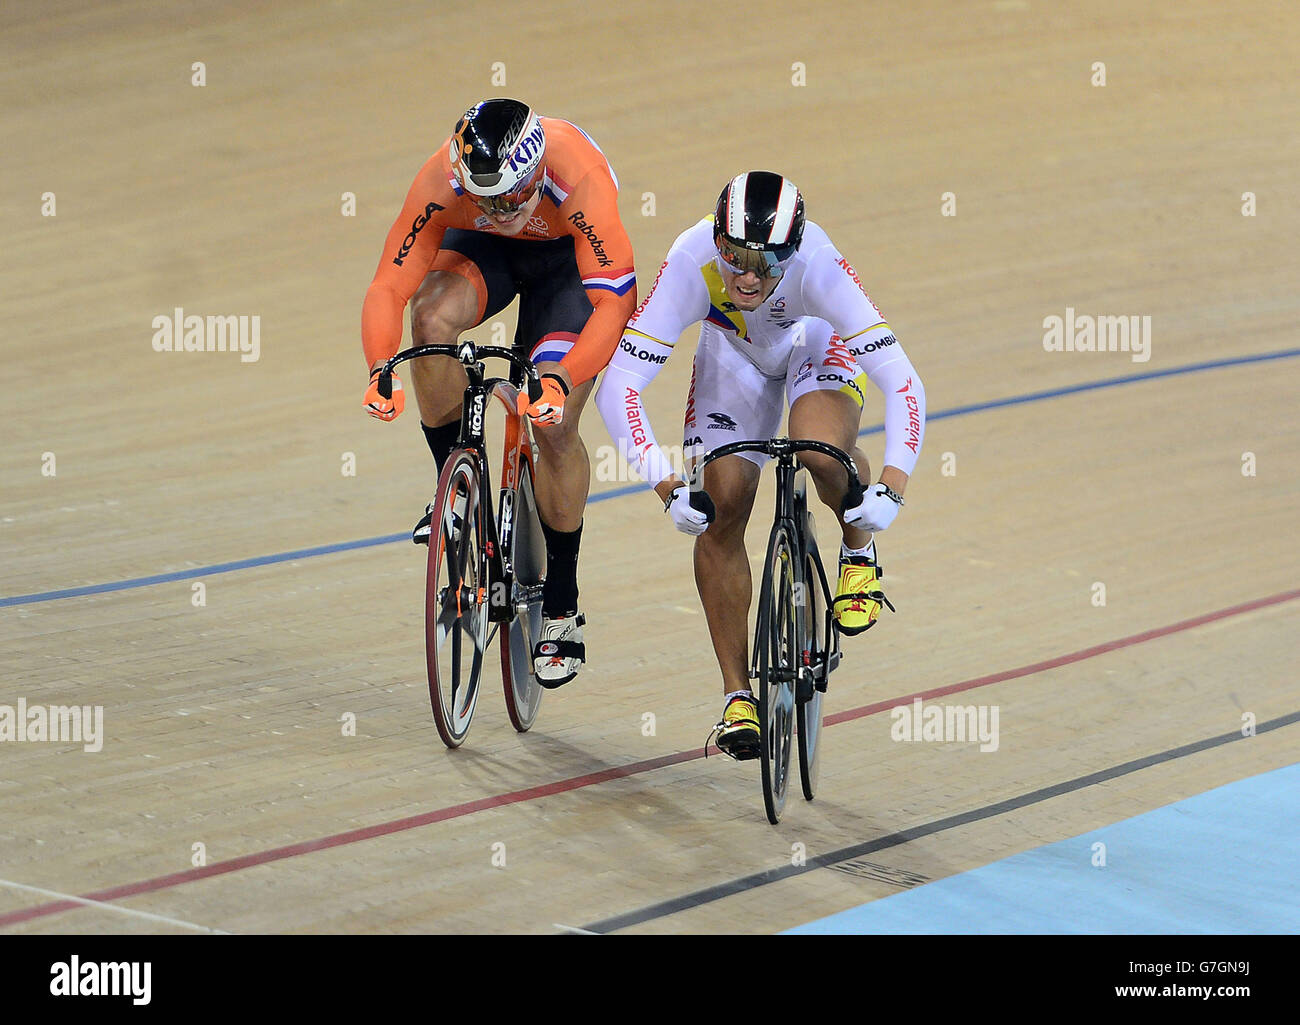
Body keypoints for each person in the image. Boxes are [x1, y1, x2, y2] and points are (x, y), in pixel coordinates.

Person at [595, 171, 926, 758]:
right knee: (717, 504)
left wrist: (893, 487)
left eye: (766, 265)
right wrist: (667, 484)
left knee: (818, 451)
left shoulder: (820, 267)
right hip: (731, 355)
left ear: (793, 253)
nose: (747, 276)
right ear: (717, 241)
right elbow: (619, 383)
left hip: (814, 344)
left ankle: (856, 548)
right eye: (736, 260)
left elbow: (901, 380)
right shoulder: (691, 258)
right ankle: (736, 698)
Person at [361, 98, 637, 687]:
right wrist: (379, 364)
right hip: (485, 252)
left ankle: (562, 597)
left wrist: (562, 378)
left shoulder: (576, 174)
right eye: (482, 198)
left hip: (568, 265)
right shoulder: (445, 179)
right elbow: (388, 285)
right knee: (430, 323)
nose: (497, 208)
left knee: (553, 423)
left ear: (535, 175)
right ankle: (454, 493)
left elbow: (616, 302)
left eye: (508, 198)